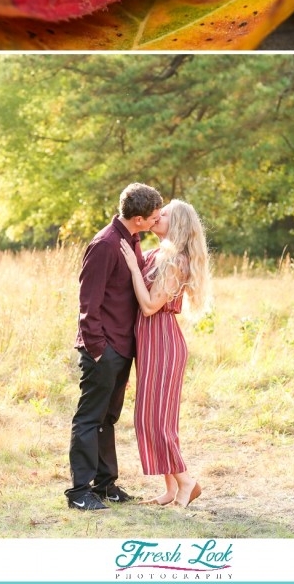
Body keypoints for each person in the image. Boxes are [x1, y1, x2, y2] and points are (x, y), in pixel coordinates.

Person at [65, 182, 163, 512]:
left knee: (108, 418)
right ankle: (79, 492)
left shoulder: (132, 239)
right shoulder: (105, 244)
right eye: (154, 216)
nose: (157, 221)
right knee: (89, 418)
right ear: (138, 219)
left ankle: (105, 485)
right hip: (103, 348)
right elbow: (87, 303)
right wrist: (98, 349)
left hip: (122, 346)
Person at [120, 199, 211, 508]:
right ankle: (171, 489)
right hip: (149, 343)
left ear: (178, 224)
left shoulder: (176, 261)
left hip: (162, 342)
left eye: (166, 213)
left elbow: (149, 306)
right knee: (156, 418)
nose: (158, 215)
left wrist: (133, 268)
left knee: (155, 420)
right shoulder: (156, 254)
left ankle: (187, 482)